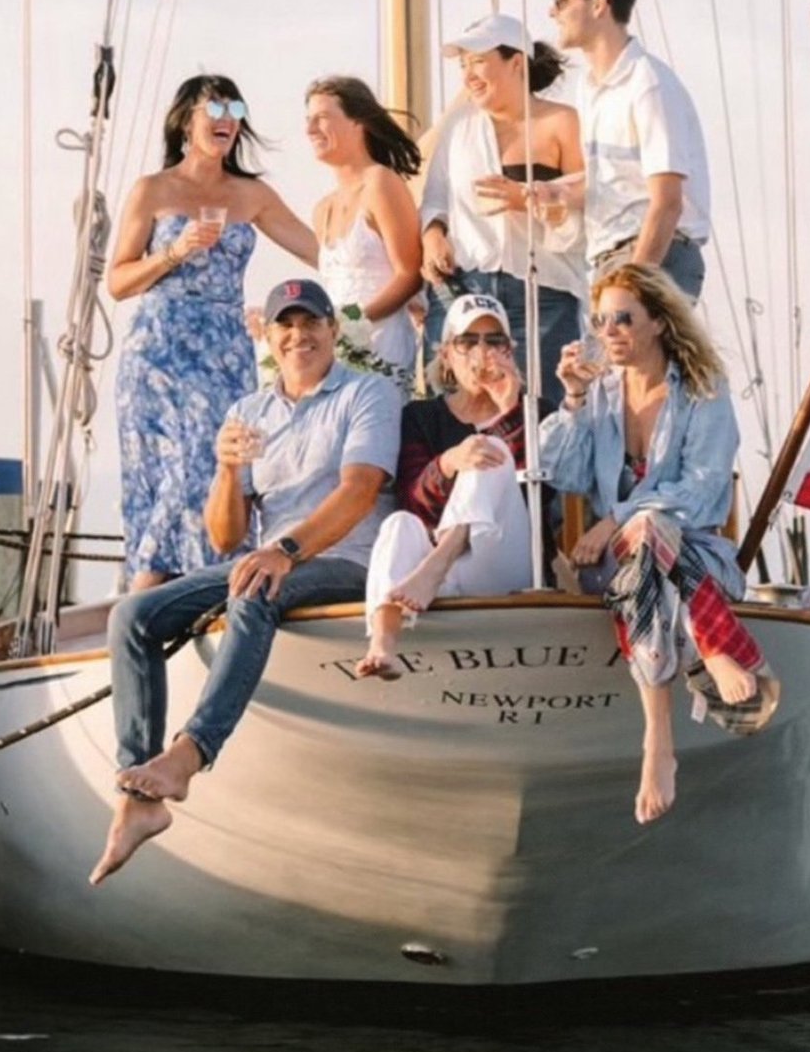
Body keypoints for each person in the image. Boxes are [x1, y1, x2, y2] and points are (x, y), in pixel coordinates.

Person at [90, 278, 399, 884]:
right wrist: (228, 471)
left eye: (310, 322)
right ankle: (137, 799)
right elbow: (227, 537)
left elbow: (360, 492)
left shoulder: (368, 394)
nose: (297, 335)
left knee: (255, 588)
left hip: (351, 559)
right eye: (285, 324)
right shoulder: (247, 411)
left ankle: (188, 754)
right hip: (266, 559)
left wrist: (286, 549)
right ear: (269, 336)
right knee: (131, 617)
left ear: (333, 330)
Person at [541, 263, 775, 825]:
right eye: (600, 320)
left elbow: (703, 490)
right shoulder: (598, 397)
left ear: (658, 324)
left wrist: (619, 518)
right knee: (645, 534)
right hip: (611, 570)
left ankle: (657, 739)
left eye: (623, 318)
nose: (610, 330)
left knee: (653, 530)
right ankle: (712, 643)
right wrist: (571, 400)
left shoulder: (703, 393)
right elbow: (561, 474)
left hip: (698, 554)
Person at [109, 74, 320, 589]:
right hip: (157, 350)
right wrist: (175, 252)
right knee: (166, 479)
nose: (227, 118)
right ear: (187, 119)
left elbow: (323, 254)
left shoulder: (251, 195)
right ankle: (144, 605)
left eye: (236, 107)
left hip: (223, 350)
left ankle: (207, 601)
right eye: (215, 108)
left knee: (219, 467)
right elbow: (117, 281)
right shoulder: (153, 190)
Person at [355, 292, 539, 679]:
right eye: (468, 342)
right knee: (397, 525)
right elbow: (412, 500)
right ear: (447, 356)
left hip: (503, 559)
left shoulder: (536, 411)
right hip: (433, 564)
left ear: (510, 350)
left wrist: (508, 415)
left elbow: (543, 497)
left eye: (494, 341)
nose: (482, 352)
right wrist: (450, 462)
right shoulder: (421, 416)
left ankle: (438, 565)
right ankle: (383, 642)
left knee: (488, 448)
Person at [420, 13, 586, 398]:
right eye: (464, 65)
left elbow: (589, 195)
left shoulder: (561, 121)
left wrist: (527, 196)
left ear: (515, 62)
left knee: (539, 410)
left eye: (478, 61)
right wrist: (432, 237)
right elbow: (436, 198)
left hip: (540, 291)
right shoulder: (458, 128)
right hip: (464, 284)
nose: (469, 75)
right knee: (451, 407)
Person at [547, 0, 710, 300]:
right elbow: (620, 184)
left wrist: (634, 285)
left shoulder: (647, 83)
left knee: (634, 357)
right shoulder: (589, 88)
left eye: (561, 1)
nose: (552, 12)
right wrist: (556, 191)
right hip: (612, 258)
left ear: (598, 4)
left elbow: (668, 201)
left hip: (653, 256)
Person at [308, 76, 423, 390]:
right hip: (334, 351)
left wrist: (354, 320)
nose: (310, 130)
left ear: (358, 122)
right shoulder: (322, 208)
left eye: (321, 118)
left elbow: (410, 274)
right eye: (308, 121)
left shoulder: (381, 183)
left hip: (380, 342)